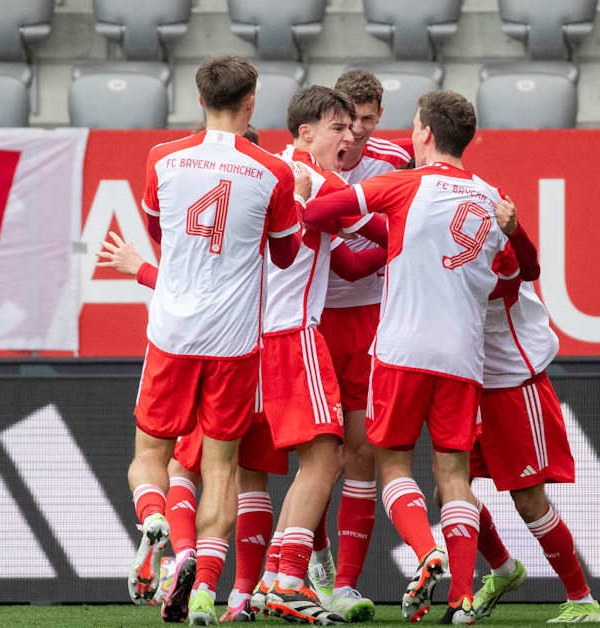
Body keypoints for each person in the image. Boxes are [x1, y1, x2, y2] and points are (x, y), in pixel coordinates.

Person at [303, 90, 520, 625]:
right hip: (463, 358)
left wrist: (312, 186)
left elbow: (322, 211)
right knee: (454, 476)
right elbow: (514, 278)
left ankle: (427, 549)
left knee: (393, 464)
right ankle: (463, 599)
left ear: (423, 133)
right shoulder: (495, 199)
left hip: (402, 350)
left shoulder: (403, 185)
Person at [121, 55, 307, 627]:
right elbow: (286, 254)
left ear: (200, 100)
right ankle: (205, 590)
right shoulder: (272, 172)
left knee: (151, 456)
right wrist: (294, 203)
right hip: (233, 341)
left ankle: (155, 520)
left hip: (172, 333)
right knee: (222, 469)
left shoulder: (162, 158)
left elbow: (160, 232)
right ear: (251, 103)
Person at [305, 71, 413, 623]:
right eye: (349, 122)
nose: (359, 133)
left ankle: (345, 583)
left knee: (362, 452)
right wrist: (396, 245)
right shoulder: (304, 167)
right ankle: (312, 552)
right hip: (314, 317)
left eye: (369, 120)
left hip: (371, 317)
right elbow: (349, 260)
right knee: (316, 454)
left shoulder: (395, 161)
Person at [467, 211, 600, 624]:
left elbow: (524, 270)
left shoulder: (492, 247)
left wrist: (514, 230)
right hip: (469, 385)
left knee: (528, 503)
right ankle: (504, 568)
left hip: (515, 385)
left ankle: (582, 599)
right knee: (450, 493)